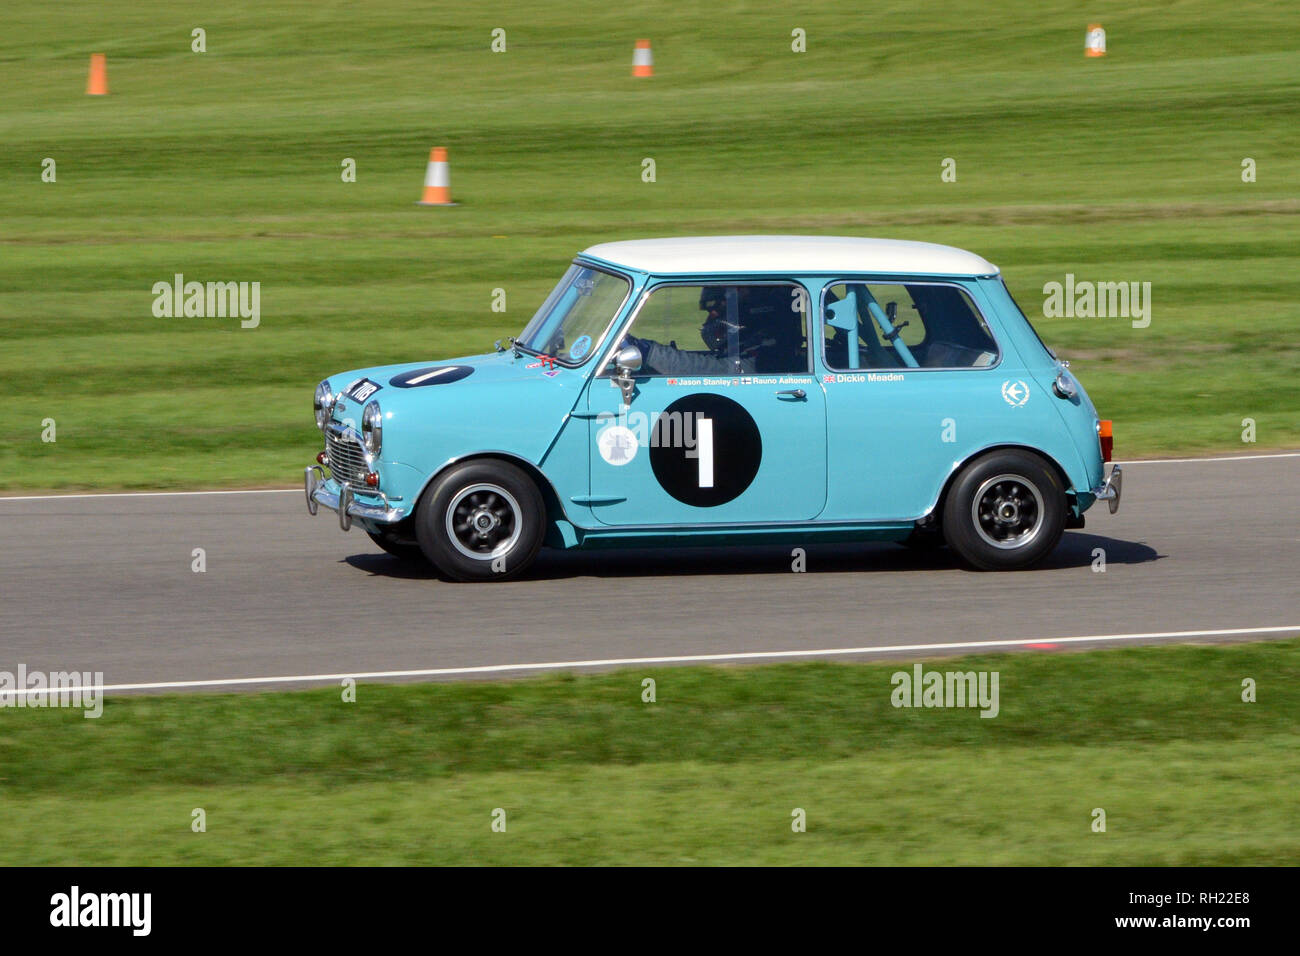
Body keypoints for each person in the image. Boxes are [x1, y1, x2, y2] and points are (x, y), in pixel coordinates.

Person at [623, 286, 802, 376]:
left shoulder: (769, 352)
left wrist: (649, 352)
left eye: (717, 308)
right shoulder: (752, 342)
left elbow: (716, 370)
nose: (711, 318)